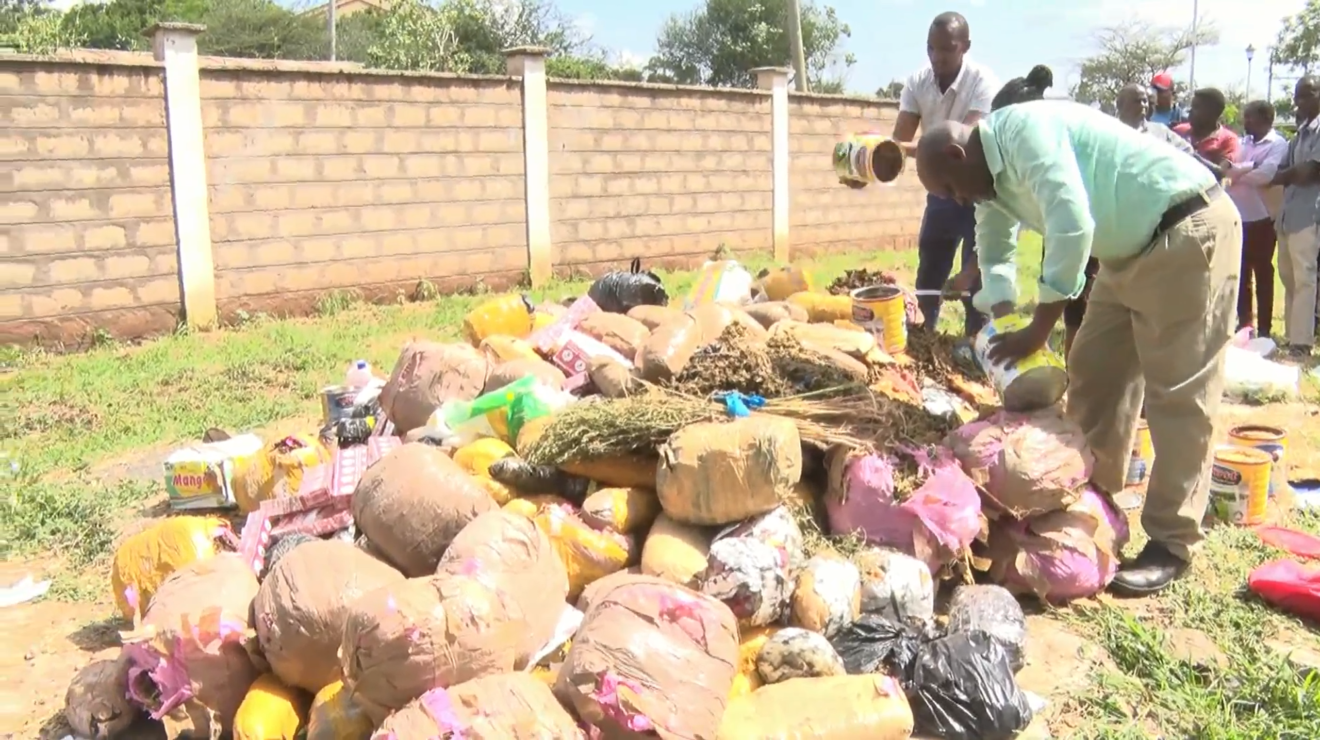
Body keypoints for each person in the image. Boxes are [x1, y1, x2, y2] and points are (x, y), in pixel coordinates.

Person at [914, 102, 1241, 596]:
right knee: (1094, 371)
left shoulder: (1026, 132)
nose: (957, 201)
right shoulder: (988, 183)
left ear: (960, 155)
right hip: (1125, 254)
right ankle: (1095, 500)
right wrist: (1003, 316)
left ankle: (1171, 542)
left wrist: (1039, 330)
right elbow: (995, 248)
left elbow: (1071, 225)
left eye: (951, 189)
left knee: (1178, 391)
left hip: (1185, 230)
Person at [890, 11, 1000, 337]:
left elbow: (962, 141)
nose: (937, 57)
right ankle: (924, 337)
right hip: (941, 187)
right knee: (930, 267)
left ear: (965, 46)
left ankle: (976, 343)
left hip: (975, 183)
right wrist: (872, 159)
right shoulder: (916, 83)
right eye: (931, 49)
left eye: (947, 49)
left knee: (976, 279)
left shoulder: (982, 82)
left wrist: (907, 150)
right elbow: (899, 143)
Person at [1226, 101, 1289, 338]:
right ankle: (1245, 324)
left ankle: (1264, 328)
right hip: (1238, 216)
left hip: (1263, 217)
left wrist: (1239, 173)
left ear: (1265, 119)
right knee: (1240, 273)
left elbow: (1266, 176)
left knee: (1263, 272)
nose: (1245, 121)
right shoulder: (1242, 143)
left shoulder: (1278, 144)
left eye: (1249, 117)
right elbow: (1227, 170)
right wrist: (1247, 168)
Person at [1270, 76, 1320, 356]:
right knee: (1287, 276)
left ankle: (1302, 342)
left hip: (1309, 214)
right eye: (1297, 96)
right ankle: (1291, 337)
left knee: (1305, 277)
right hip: (1288, 214)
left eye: (1307, 94)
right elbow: (1284, 171)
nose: (1299, 101)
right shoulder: (1300, 132)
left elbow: (1308, 172)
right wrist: (1283, 175)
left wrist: (1282, 175)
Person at [1173, 89, 1240, 180]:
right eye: (1191, 107)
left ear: (1212, 113)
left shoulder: (1228, 140)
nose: (1190, 111)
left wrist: (1189, 153)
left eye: (1196, 107)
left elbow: (1220, 172)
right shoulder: (1178, 131)